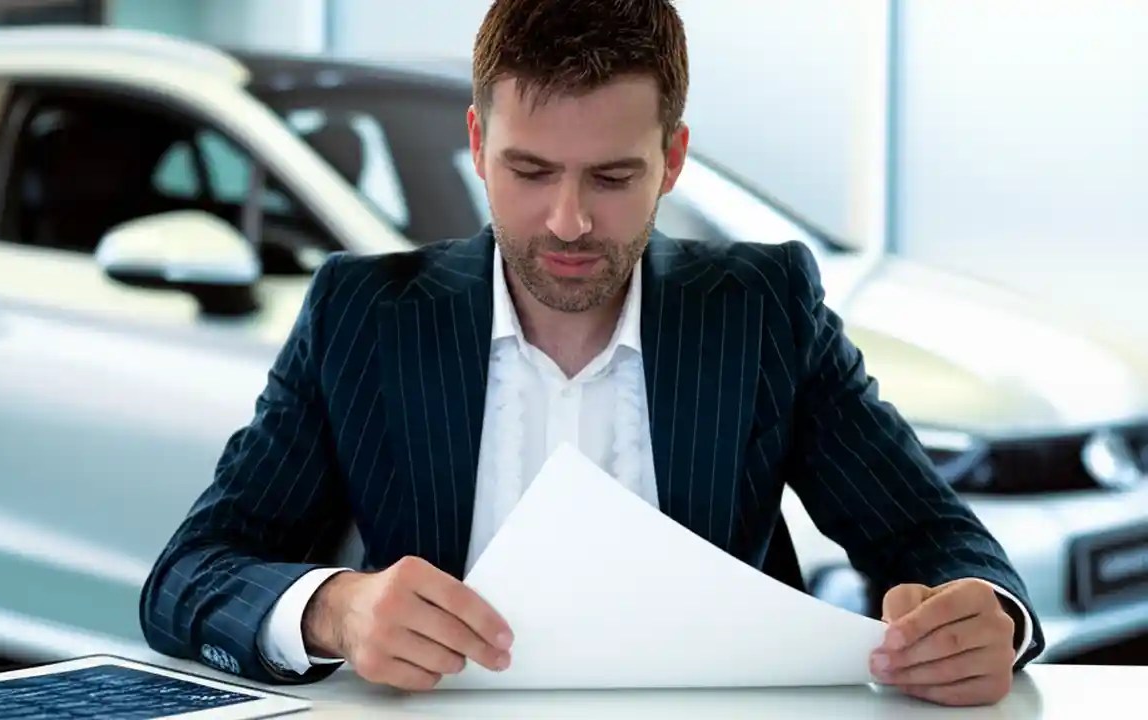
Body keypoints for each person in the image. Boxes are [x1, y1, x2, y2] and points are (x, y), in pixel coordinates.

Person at [139, 0, 1044, 707]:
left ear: (673, 160)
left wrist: (986, 618)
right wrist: (337, 610)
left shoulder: (764, 310)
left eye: (612, 177)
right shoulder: (362, 315)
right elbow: (188, 575)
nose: (568, 222)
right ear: (478, 144)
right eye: (530, 172)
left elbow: (934, 538)